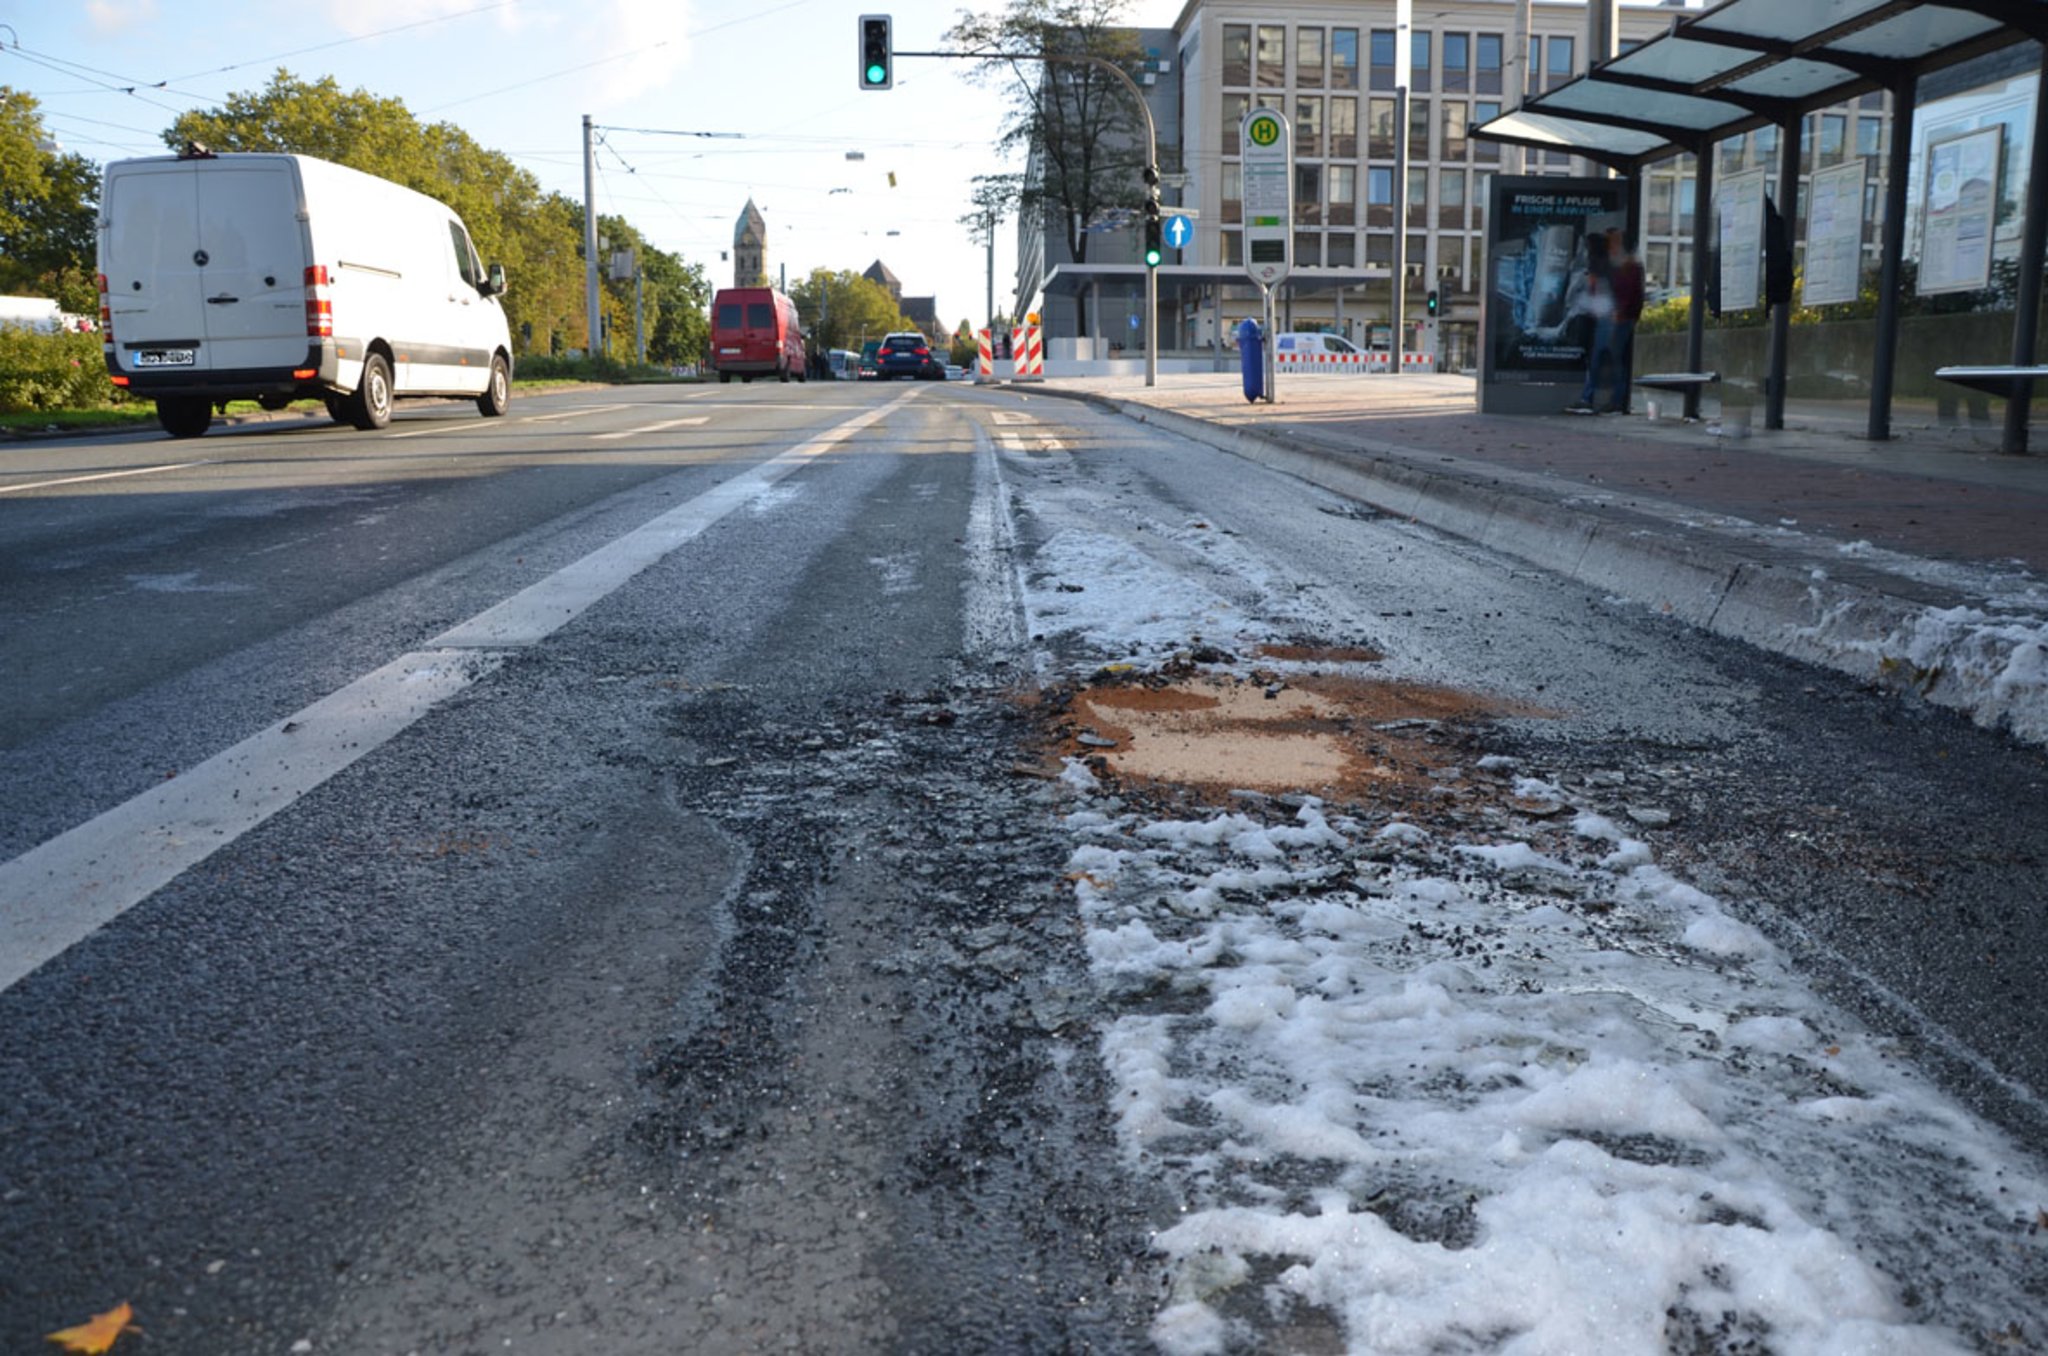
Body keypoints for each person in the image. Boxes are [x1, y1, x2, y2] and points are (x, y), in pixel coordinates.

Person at [1569, 228, 1644, 414]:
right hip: (1612, 316)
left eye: (1614, 242)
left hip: (1617, 318)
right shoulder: (1620, 265)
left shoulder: (1629, 267)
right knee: (1605, 358)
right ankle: (1599, 398)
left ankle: (1607, 400)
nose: (1611, 246)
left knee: (1610, 358)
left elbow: (1629, 294)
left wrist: (1621, 313)